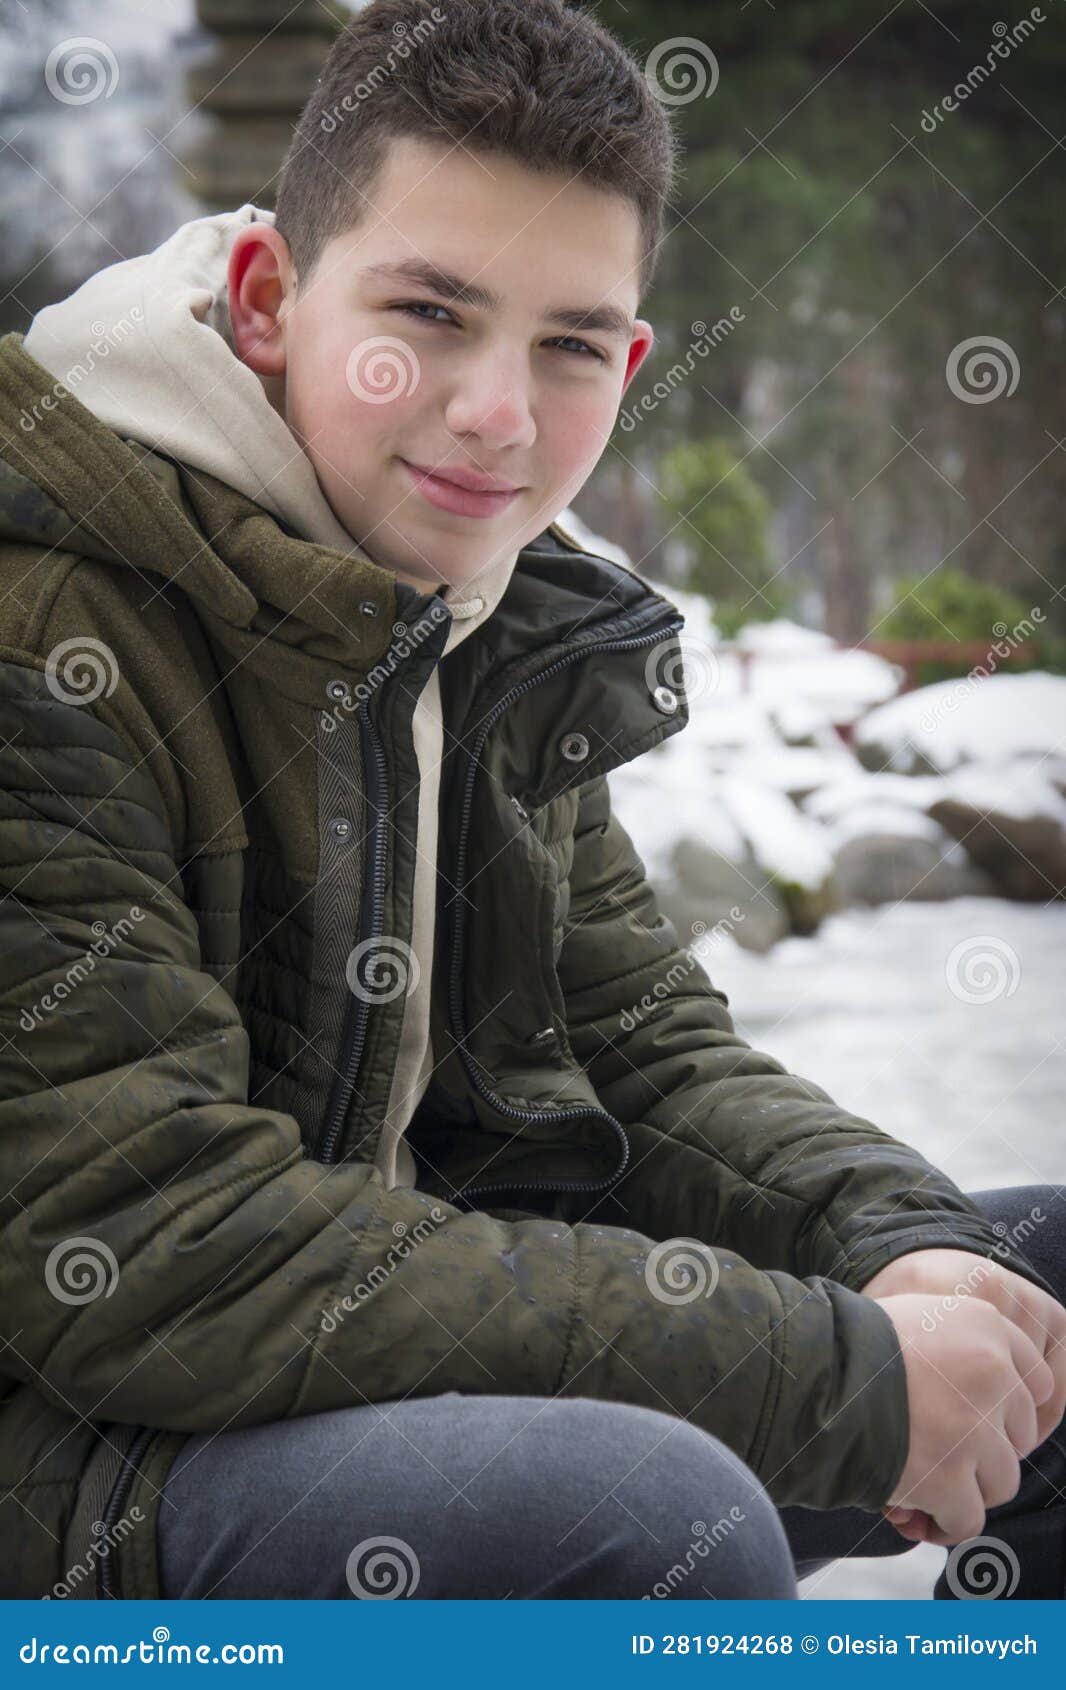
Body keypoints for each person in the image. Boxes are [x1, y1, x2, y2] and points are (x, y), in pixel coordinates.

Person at [0, 0, 1062, 1604]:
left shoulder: (487, 619)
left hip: (332, 1365)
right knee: (620, 1507)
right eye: (427, 312)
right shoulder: (46, 639)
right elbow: (150, 1248)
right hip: (79, 1448)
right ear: (270, 297)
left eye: (568, 342)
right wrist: (830, 1372)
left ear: (629, 360)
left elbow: (640, 1052)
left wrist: (895, 1241)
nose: (498, 412)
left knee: (1029, 1293)